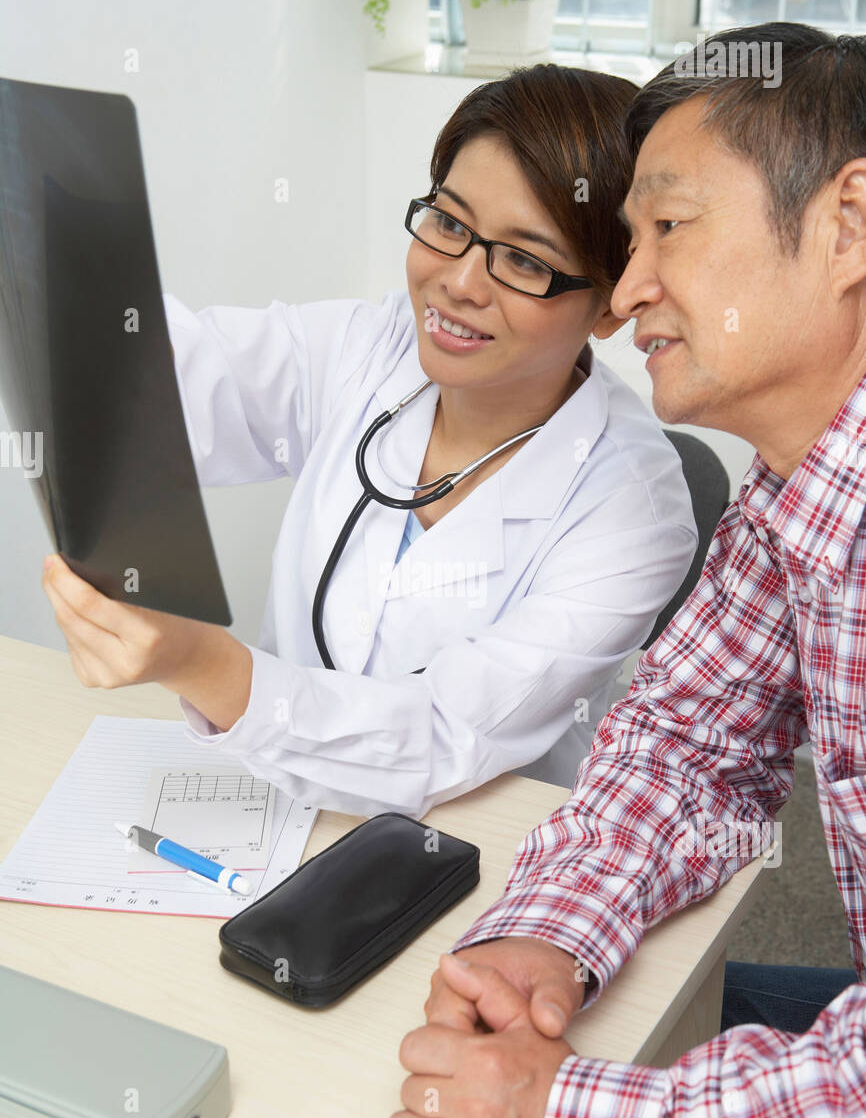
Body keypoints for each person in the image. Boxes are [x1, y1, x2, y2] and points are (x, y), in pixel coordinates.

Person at [390, 22, 866, 1118]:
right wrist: (548, 934)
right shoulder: (790, 490)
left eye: (667, 226)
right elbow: (684, 745)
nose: (630, 284)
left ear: (848, 224)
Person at [41, 64, 696, 820]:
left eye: (524, 260)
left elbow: (443, 733)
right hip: (272, 805)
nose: (458, 282)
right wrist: (53, 256)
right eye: (450, 223)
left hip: (477, 842)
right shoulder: (369, 344)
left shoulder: (633, 511)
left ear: (612, 304)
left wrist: (199, 662)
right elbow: (162, 384)